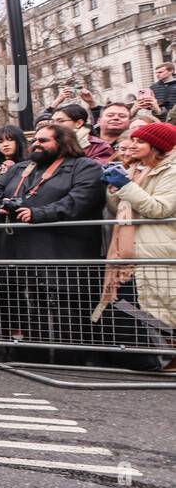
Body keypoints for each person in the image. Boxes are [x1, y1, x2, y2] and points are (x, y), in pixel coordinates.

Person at [0, 123, 107, 351]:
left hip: (64, 253)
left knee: (68, 311)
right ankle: (32, 355)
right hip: (19, 252)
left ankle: (73, 359)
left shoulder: (85, 167)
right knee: (32, 310)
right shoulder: (21, 168)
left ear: (62, 143)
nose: (37, 144)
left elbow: (78, 201)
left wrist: (37, 213)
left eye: (44, 141)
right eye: (35, 140)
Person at [98, 122, 176, 358]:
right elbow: (119, 208)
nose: (131, 145)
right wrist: (114, 188)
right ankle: (159, 356)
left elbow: (160, 208)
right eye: (132, 140)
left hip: (159, 247)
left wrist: (126, 185)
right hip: (130, 249)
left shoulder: (171, 171)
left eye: (140, 141)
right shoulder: (134, 168)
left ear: (157, 147)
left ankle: (167, 354)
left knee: (166, 304)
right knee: (144, 304)